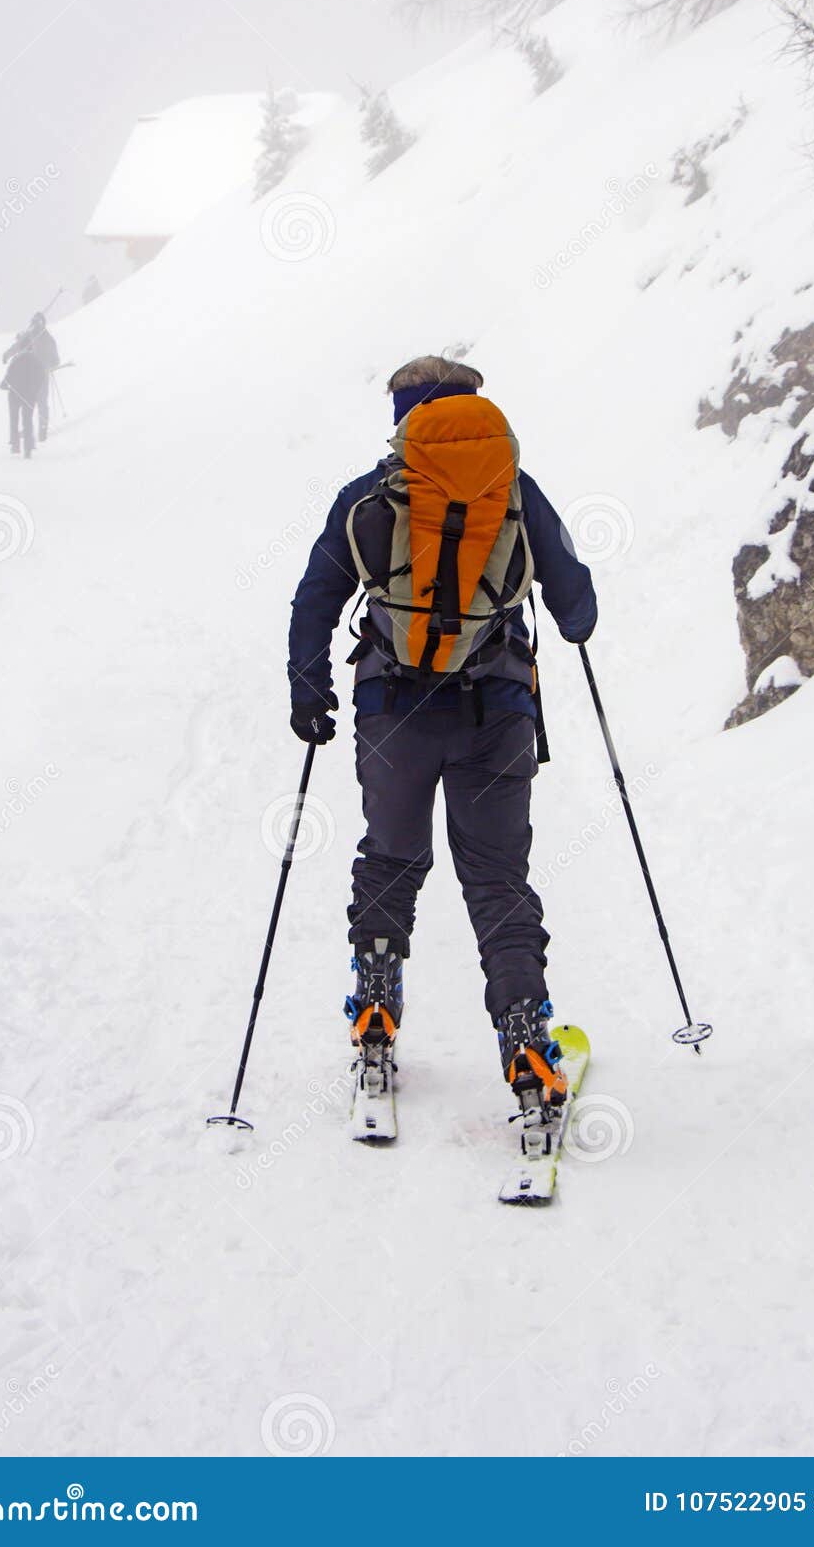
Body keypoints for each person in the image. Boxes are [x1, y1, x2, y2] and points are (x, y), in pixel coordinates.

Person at [287, 355, 597, 1122]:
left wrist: (308, 684)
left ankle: (375, 1018)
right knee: (496, 880)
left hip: (392, 710)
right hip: (496, 711)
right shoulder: (517, 492)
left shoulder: (367, 495)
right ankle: (526, 1047)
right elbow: (578, 608)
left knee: (391, 859)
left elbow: (315, 596)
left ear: (404, 416)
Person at [0, 330, 45, 458]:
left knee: (14, 420)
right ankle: (28, 448)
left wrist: (3, 385)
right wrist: (35, 390)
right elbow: (42, 376)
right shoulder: (37, 361)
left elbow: (8, 378)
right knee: (27, 420)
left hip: (14, 395)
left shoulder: (16, 360)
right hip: (30, 396)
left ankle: (15, 445)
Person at [26, 312, 61, 440]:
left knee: (29, 402)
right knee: (42, 402)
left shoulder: (29, 337)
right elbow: (56, 360)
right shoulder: (49, 339)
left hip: (30, 375)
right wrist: (51, 364)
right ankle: (42, 430)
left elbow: (20, 354)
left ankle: (28, 429)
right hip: (43, 374)